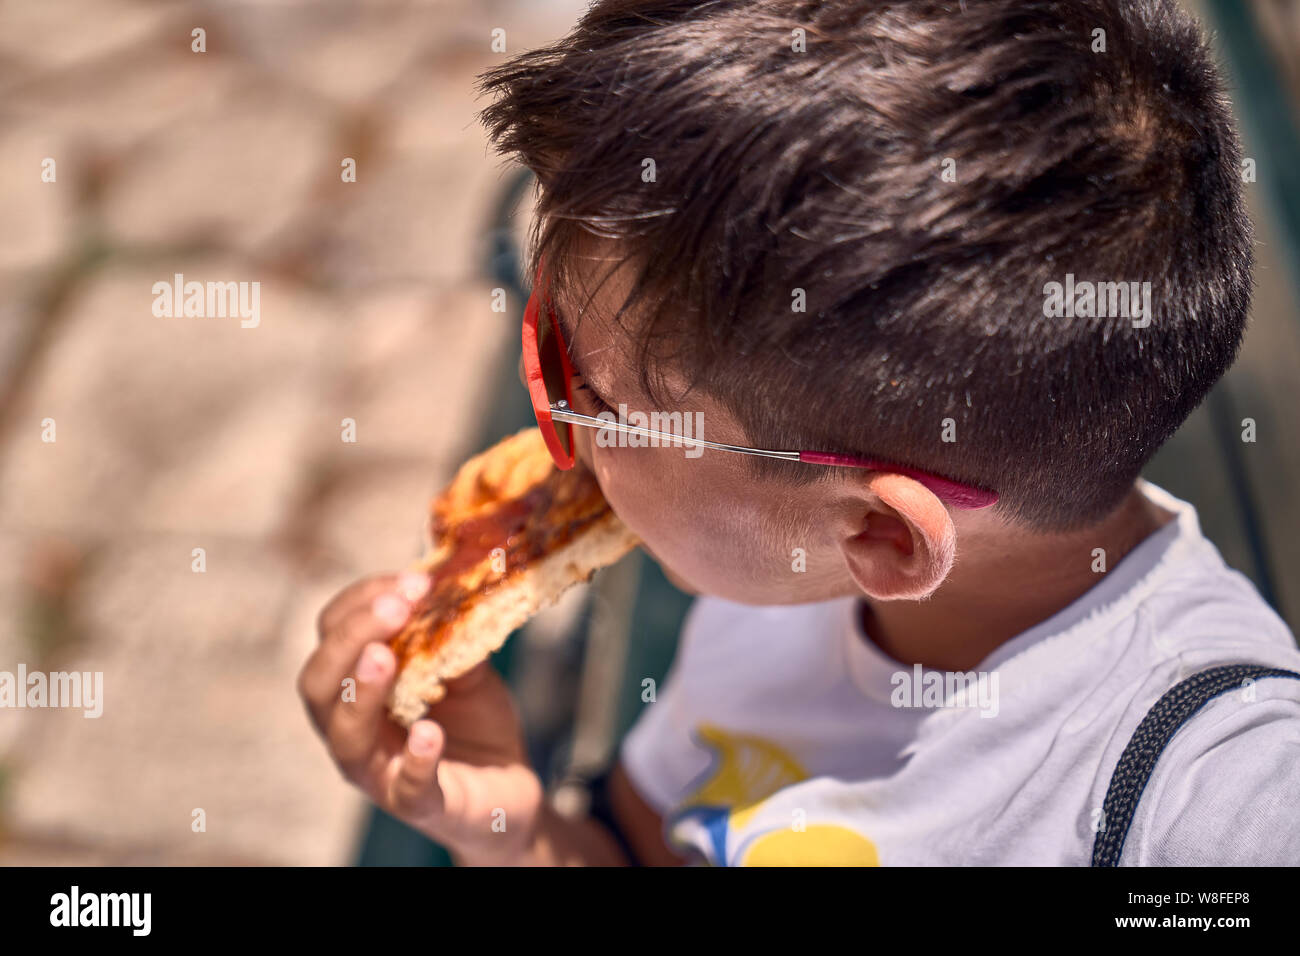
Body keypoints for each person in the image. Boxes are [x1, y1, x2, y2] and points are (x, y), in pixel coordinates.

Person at [299, 0, 1300, 865]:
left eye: (585, 395)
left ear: (883, 538)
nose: (550, 429)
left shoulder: (1201, 790)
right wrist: (508, 827)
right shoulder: (777, 571)